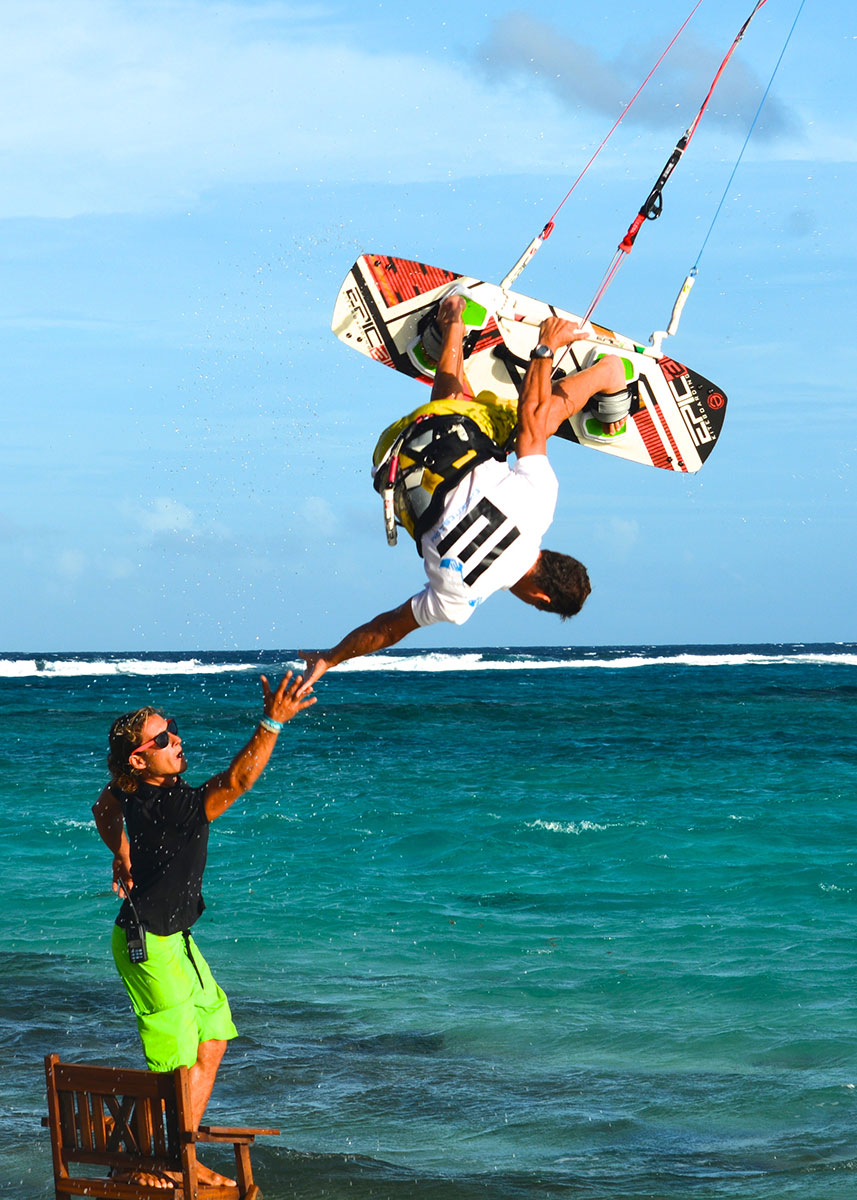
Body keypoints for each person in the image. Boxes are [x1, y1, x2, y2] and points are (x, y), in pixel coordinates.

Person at [301, 294, 628, 685]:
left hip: (437, 424)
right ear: (540, 600)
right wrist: (330, 658)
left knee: (500, 430)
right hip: (390, 457)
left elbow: (531, 422)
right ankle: (455, 331)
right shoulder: (458, 600)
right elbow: (387, 629)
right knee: (464, 447)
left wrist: (546, 349)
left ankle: (459, 325)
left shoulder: (538, 507)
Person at [92, 671, 315, 1190]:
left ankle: (176, 1155)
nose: (177, 740)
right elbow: (236, 782)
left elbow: (102, 807)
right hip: (147, 942)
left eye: (174, 729)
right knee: (173, 1064)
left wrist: (121, 854)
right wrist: (272, 721)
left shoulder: (131, 790)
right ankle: (152, 1159)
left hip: (178, 940)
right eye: (163, 738)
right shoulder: (172, 805)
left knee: (213, 1037)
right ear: (139, 759)